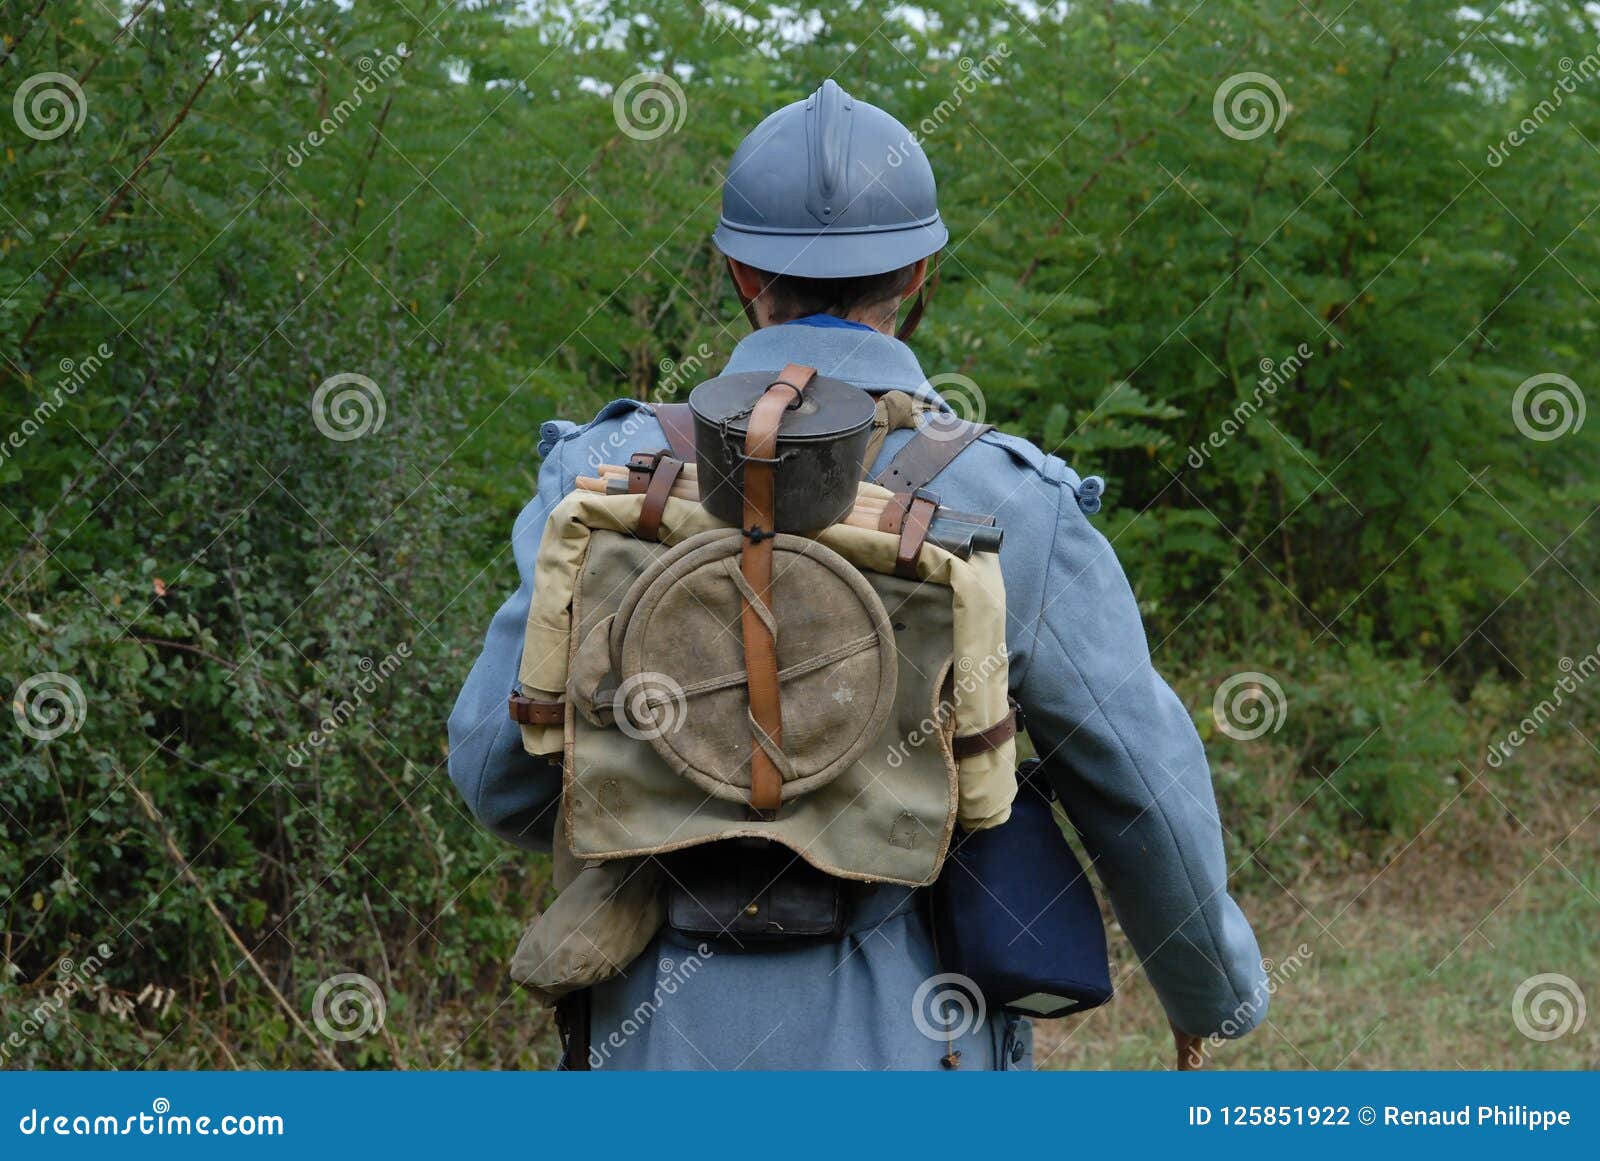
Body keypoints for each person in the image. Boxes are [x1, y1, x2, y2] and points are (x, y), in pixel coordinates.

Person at [448, 78, 1267, 1070]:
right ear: (919, 271)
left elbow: (497, 775)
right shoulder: (1005, 498)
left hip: (651, 1034)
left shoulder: (605, 472)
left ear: (737, 267)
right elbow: (1141, 793)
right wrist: (1210, 995)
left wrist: (670, 792)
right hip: (920, 1039)